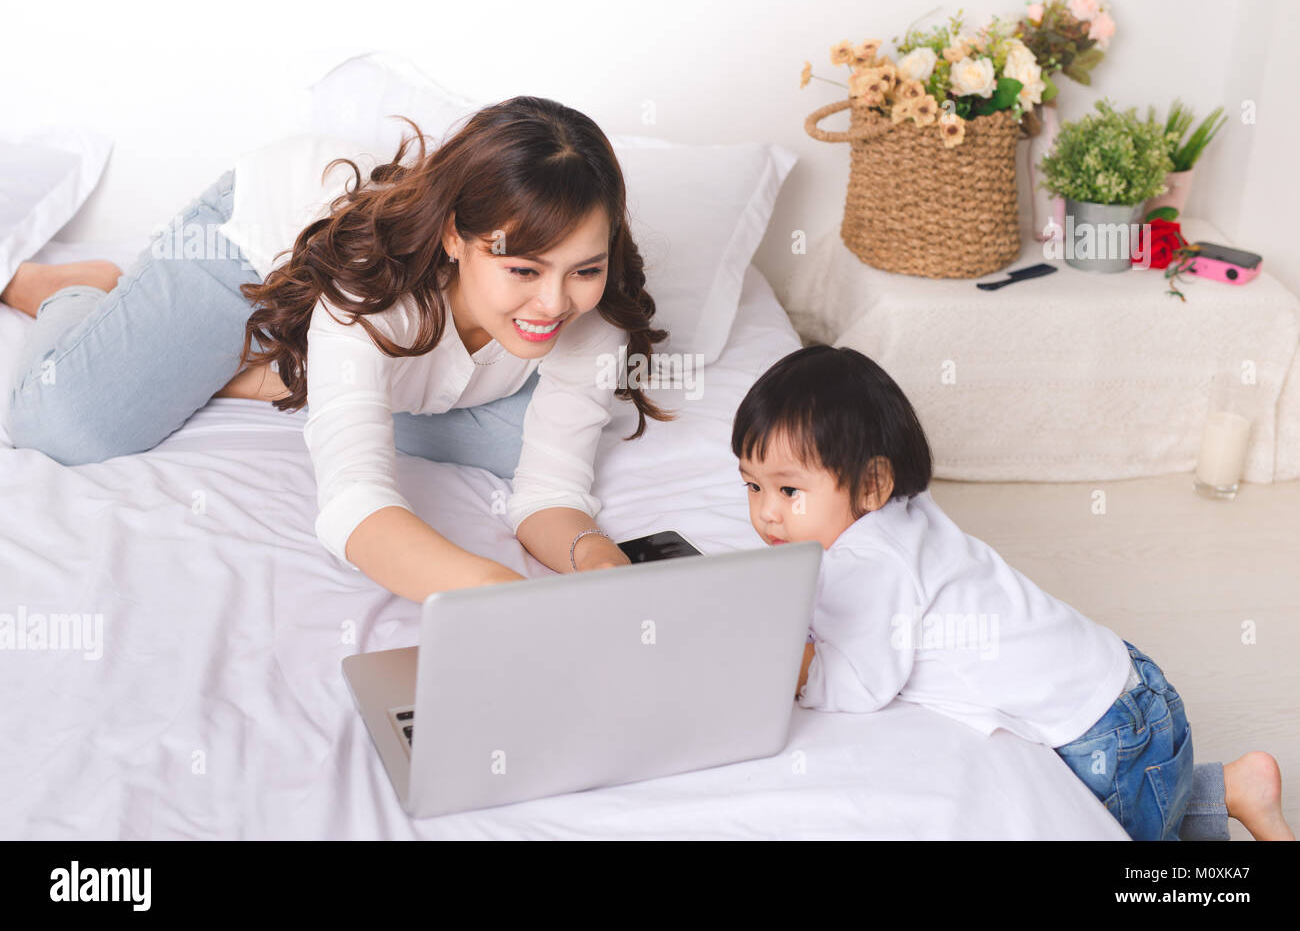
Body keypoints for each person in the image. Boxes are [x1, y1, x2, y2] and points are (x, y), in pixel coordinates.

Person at [2, 99, 674, 601]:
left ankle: (277, 372)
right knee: (65, 423)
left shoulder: (593, 310)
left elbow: (550, 493)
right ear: (453, 239)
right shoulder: (371, 293)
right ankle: (79, 294)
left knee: (515, 444)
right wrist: (495, 596)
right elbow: (355, 504)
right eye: (524, 270)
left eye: (583, 269)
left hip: (352, 331)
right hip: (256, 257)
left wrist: (600, 565)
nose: (555, 304)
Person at [731, 343, 1293, 841]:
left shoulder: (868, 564)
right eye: (752, 486)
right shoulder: (905, 513)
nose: (767, 512)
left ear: (873, 484)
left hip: (1101, 736)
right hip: (1123, 685)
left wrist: (798, 665)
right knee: (1152, 794)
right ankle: (1236, 788)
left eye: (788, 489)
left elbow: (860, 682)